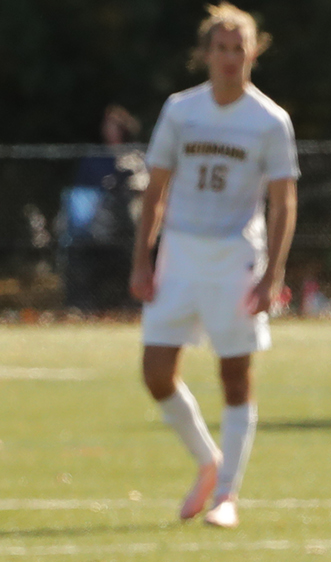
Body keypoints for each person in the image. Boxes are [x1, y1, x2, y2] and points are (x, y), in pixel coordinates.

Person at [132, 2, 298, 529]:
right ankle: (209, 460)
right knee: (156, 372)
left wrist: (273, 272)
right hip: (180, 252)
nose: (229, 57)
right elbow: (155, 189)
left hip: (235, 256)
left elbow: (283, 201)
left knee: (234, 373)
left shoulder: (270, 120)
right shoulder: (181, 110)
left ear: (254, 51)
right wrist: (143, 257)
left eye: (239, 47)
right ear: (205, 53)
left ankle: (227, 495)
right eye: (220, 47)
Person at [60, 105, 145, 313]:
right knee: (74, 247)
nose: (110, 130)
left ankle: (135, 302)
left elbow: (145, 187)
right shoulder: (94, 158)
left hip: (129, 228)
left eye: (115, 125)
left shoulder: (136, 158)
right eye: (107, 125)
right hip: (95, 228)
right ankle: (79, 305)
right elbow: (81, 195)